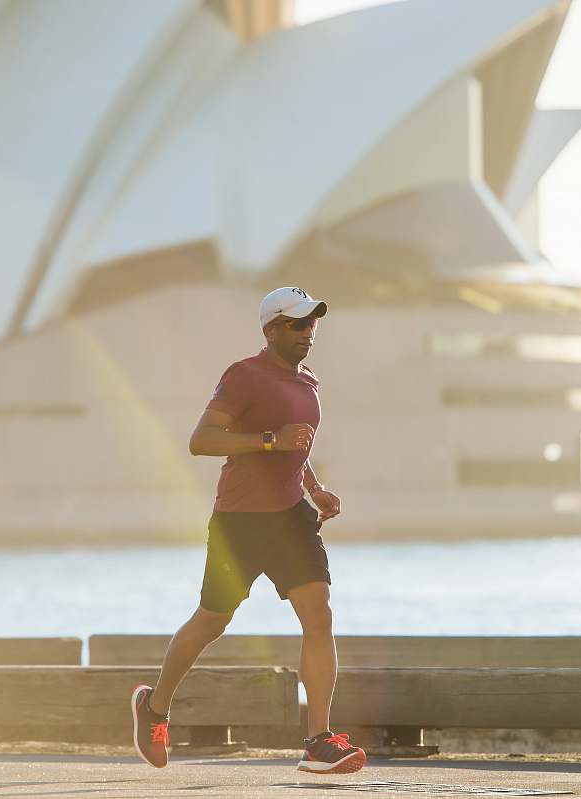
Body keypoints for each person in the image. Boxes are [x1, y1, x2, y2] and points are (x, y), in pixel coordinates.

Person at [130, 286, 366, 775]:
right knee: (211, 622)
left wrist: (315, 488)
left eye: (313, 324)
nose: (308, 333)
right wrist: (268, 440)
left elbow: (295, 448)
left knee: (318, 614)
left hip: (290, 519)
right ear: (272, 329)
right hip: (239, 522)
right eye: (298, 324)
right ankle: (154, 708)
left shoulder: (309, 383)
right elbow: (202, 441)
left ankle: (319, 740)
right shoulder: (244, 376)